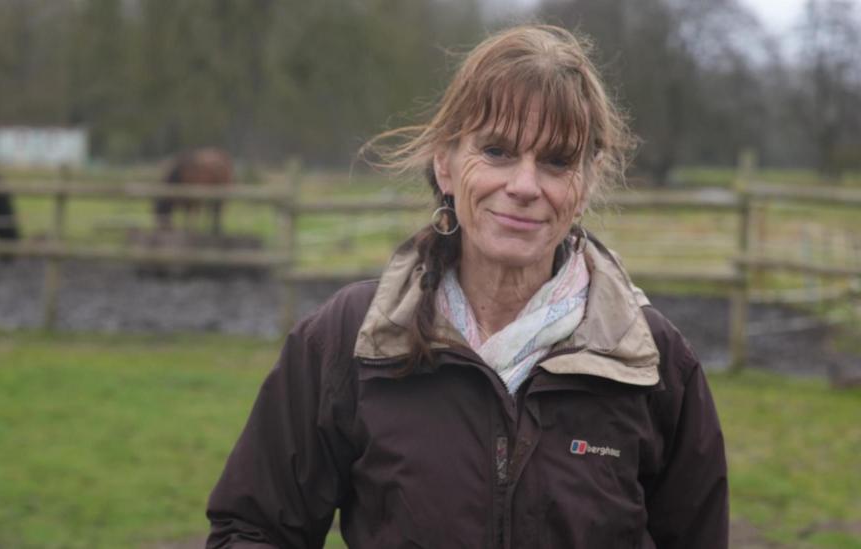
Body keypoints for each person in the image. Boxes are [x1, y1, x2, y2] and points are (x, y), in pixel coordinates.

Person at [206, 24, 728, 549]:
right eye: (497, 151)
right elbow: (250, 530)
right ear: (446, 164)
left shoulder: (654, 364)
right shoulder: (350, 340)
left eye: (556, 160)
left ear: (587, 182)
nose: (524, 186)